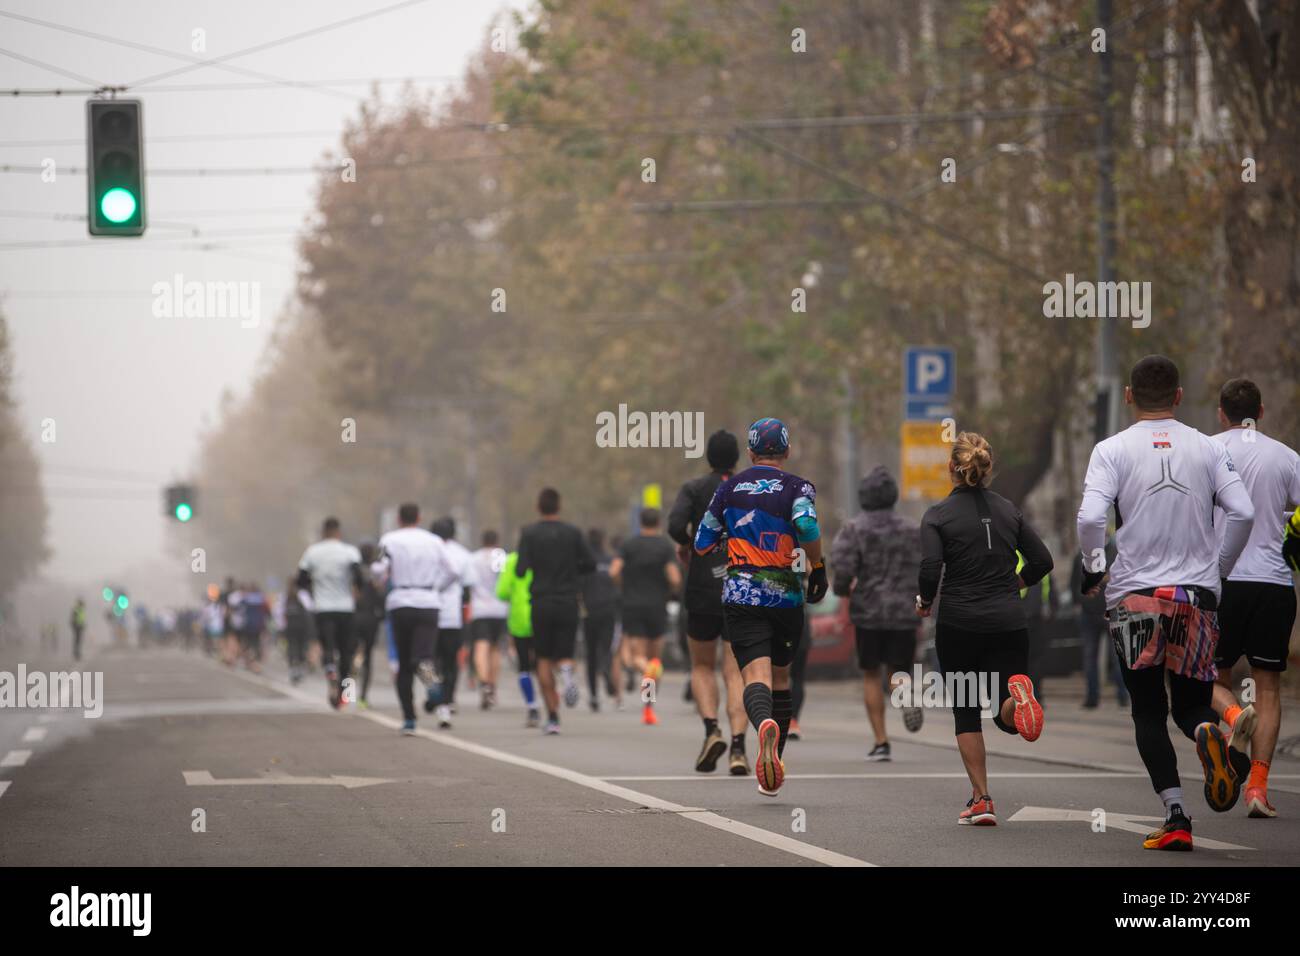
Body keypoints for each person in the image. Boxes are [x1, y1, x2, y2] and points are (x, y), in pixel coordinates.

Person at [1078, 355, 1255, 851]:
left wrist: (1094, 565)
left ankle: (1176, 814)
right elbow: (1242, 511)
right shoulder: (1206, 448)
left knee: (1147, 711)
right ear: (1179, 396)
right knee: (1192, 704)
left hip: (1134, 598)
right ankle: (1206, 731)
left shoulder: (1110, 450)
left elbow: (1091, 519)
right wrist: (1217, 569)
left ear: (1130, 396)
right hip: (1194, 597)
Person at [918, 432, 1051, 827]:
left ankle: (982, 800)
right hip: (1009, 622)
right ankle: (1017, 698)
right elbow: (1042, 559)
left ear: (951, 469)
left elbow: (930, 568)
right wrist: (1017, 584)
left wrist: (925, 602)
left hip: (959, 624)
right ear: (988, 468)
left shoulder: (937, 515)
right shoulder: (1010, 511)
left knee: (966, 711)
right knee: (1002, 710)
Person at [694, 417, 827, 796]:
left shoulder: (729, 489)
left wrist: (731, 536)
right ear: (786, 451)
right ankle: (775, 763)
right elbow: (807, 526)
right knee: (782, 679)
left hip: (741, 596)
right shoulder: (799, 487)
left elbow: (702, 542)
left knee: (756, 678)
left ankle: (763, 725)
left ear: (750, 453)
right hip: (786, 597)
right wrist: (818, 566)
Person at [1209, 378, 1300, 818]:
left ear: (1221, 412)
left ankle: (1231, 721)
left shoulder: (1206, 451)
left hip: (1221, 581)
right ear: (1260, 412)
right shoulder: (1287, 457)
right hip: (1275, 584)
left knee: (1207, 676)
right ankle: (1258, 788)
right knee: (1268, 688)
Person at [669, 429, 749, 773]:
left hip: (702, 587)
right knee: (735, 671)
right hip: (742, 586)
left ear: (709, 458)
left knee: (702, 666)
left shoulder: (695, 488)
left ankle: (711, 729)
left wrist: (688, 544)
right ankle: (738, 748)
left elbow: (674, 525)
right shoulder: (748, 488)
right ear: (737, 458)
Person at [831, 465, 922, 762]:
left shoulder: (854, 529)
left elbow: (842, 567)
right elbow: (929, 566)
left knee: (871, 674)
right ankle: (905, 693)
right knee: (899, 670)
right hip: (904, 612)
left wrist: (844, 590)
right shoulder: (912, 530)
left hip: (868, 612)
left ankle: (881, 742)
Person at [515, 488, 596, 734]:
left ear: (538, 507)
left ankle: (552, 717)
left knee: (542, 659)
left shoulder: (529, 534)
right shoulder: (573, 533)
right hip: (568, 601)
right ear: (559, 506)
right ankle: (568, 674)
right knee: (564, 654)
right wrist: (572, 573)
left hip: (541, 602)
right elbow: (590, 564)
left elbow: (520, 570)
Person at [371, 503, 454, 735]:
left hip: (400, 602)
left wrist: (382, 580)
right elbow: (453, 571)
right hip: (428, 602)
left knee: (404, 663)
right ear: (420, 517)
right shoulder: (434, 541)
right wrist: (436, 588)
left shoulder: (389, 540)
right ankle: (432, 684)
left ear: (398, 519)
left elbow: (378, 568)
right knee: (423, 657)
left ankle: (409, 719)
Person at [610, 508, 681, 726]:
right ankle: (648, 709)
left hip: (633, 605)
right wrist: (668, 592)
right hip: (657, 606)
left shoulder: (629, 545)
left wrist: (624, 587)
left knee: (638, 657)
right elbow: (675, 578)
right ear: (658, 522)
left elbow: (614, 572)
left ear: (640, 522)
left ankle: (644, 668)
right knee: (655, 659)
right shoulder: (664, 546)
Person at [297, 517, 364, 710]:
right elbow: (359, 576)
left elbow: (301, 580)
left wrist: (313, 589)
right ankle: (344, 692)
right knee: (346, 651)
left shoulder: (313, 552)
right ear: (338, 532)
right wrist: (356, 591)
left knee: (327, 645)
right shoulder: (349, 552)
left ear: (323, 532)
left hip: (323, 608)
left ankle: (329, 669)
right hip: (346, 608)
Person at [1069, 538, 1128, 708]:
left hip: (1112, 612)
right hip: (1088, 614)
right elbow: (1074, 583)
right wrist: (1078, 603)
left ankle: (1122, 695)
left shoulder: (1115, 554)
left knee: (1117, 656)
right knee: (1090, 657)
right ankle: (1092, 697)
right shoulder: (1080, 556)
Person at [428, 517, 472, 729]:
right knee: (450, 662)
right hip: (452, 616)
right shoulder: (463, 554)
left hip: (429, 612)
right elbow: (468, 587)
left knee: (430, 660)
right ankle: (447, 700)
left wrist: (434, 588)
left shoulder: (426, 550)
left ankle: (434, 694)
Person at [497, 548, 540, 726]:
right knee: (544, 662)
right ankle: (553, 704)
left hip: (519, 619)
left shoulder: (511, 560)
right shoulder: (543, 556)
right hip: (541, 614)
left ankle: (532, 706)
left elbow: (501, 591)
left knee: (524, 666)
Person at [468, 531, 511, 711]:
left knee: (480, 648)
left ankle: (484, 683)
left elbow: (468, 582)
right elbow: (503, 581)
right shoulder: (499, 556)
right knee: (495, 650)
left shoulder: (474, 558)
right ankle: (492, 688)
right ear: (497, 541)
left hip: (479, 608)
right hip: (499, 608)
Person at [580, 528, 620, 712]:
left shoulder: (583, 563)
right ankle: (649, 701)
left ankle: (594, 696)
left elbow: (577, 587)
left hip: (589, 610)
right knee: (608, 649)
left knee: (590, 653)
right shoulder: (611, 560)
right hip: (609, 608)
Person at [353, 542, 385, 709]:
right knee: (367, 658)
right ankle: (363, 698)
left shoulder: (354, 572)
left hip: (355, 617)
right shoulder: (376, 573)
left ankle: (347, 695)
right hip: (371, 618)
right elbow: (381, 596)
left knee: (352, 655)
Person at [281, 582, 311, 684]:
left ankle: (294, 670)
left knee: (293, 650)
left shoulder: (287, 602)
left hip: (292, 630)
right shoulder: (299, 602)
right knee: (298, 650)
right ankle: (297, 670)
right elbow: (306, 616)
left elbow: (283, 617)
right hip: (298, 630)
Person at [239, 582, 270, 672]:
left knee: (247, 643)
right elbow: (268, 611)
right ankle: (255, 664)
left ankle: (248, 662)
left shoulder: (246, 598)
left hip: (247, 625)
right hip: (258, 625)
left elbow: (239, 608)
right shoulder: (262, 599)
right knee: (256, 644)